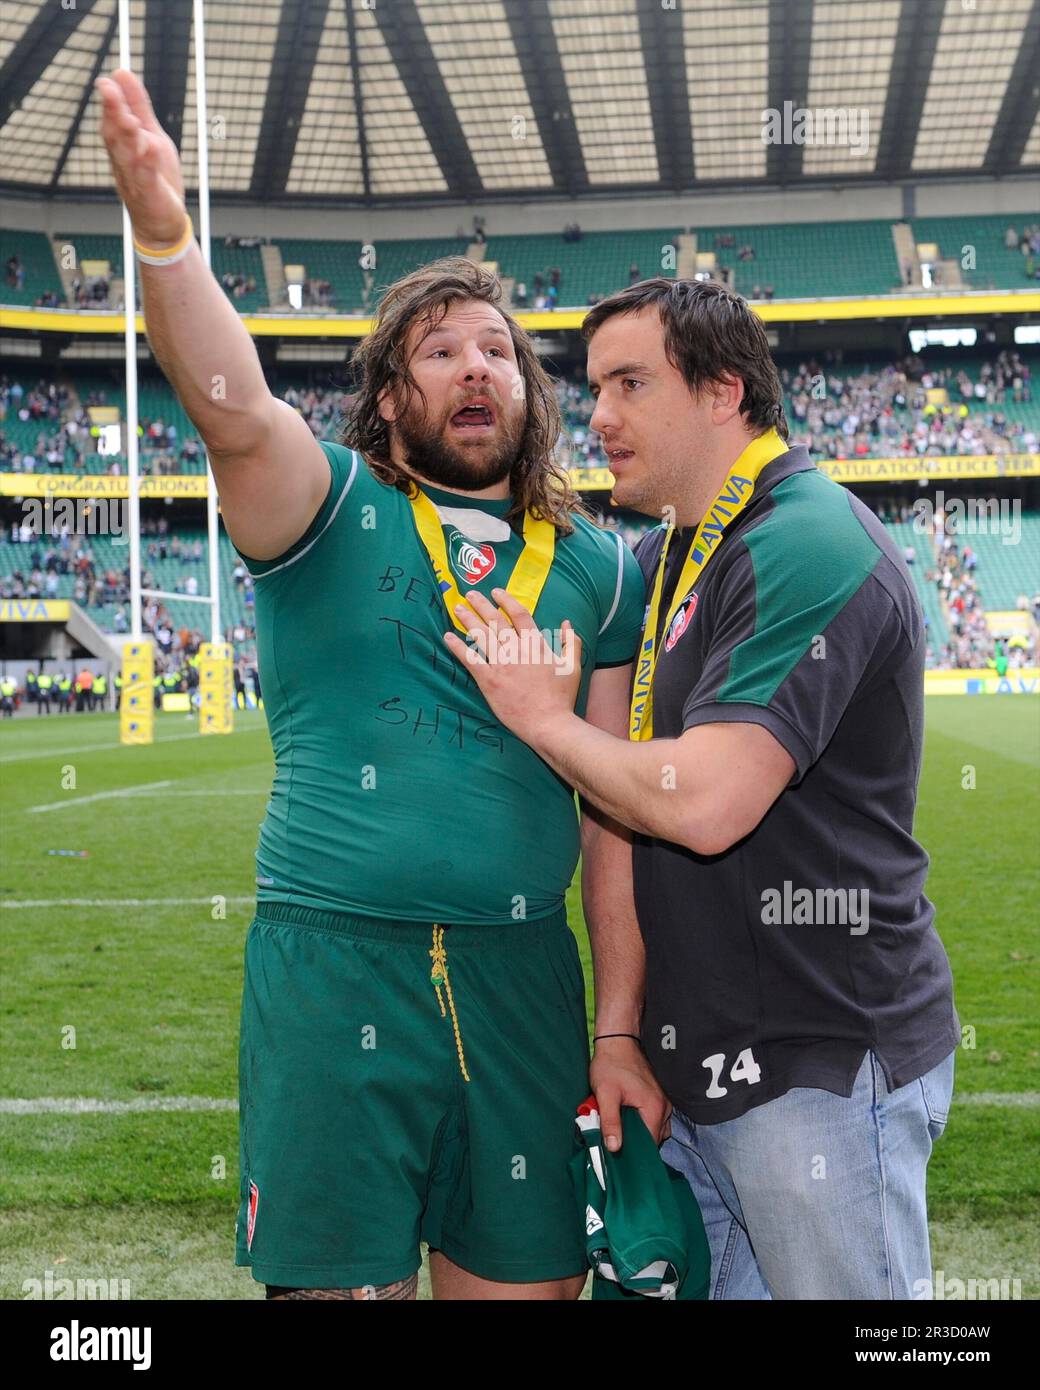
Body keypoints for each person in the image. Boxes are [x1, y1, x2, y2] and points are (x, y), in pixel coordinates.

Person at [96, 66, 647, 1303]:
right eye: (438, 350)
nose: (473, 368)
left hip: (521, 977)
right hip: (336, 963)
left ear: (528, 389)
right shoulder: (327, 504)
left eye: (496, 350)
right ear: (389, 395)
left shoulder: (601, 572)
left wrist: (614, 1024)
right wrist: (165, 235)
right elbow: (231, 407)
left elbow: (614, 824)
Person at [443, 277, 960, 1300]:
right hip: (694, 1068)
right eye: (593, 387)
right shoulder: (665, 553)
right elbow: (616, 818)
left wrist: (542, 717)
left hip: (812, 1059)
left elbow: (702, 801)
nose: (597, 416)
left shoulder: (805, 541)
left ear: (722, 391)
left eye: (629, 383)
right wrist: (621, 1030)